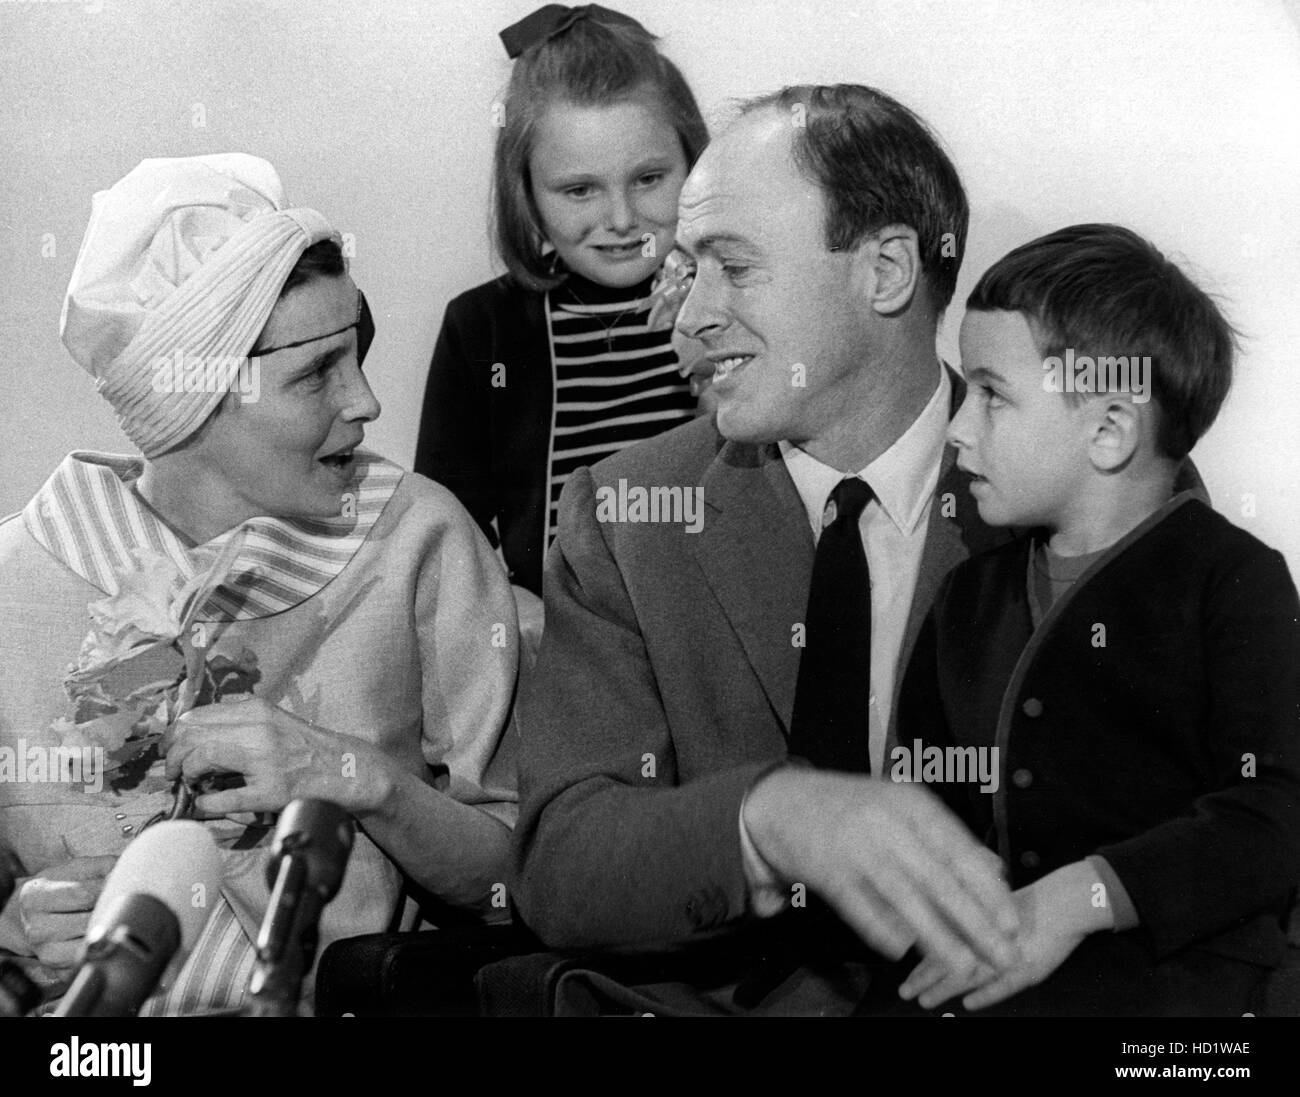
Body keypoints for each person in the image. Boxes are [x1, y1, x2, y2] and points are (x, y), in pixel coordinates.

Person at [510, 84, 1028, 1016]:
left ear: (886, 271)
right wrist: (768, 818)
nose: (687, 321)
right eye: (687, 270)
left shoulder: (1082, 491)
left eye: (733, 268)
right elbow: (563, 866)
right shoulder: (627, 516)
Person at [0, 154, 519, 1015]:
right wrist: (12, 931)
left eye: (356, 355)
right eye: (316, 373)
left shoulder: (422, 538)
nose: (365, 403)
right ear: (188, 398)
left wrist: (355, 776)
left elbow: (520, 885)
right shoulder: (17, 584)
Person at [886, 224, 1300, 1016]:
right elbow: (926, 790)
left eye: (992, 394)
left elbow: (1272, 817)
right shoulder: (966, 599)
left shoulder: (1235, 582)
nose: (959, 428)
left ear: (1109, 431)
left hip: (1187, 1001)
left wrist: (1080, 899)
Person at [413, 4, 711, 657]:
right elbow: (443, 537)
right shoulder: (482, 329)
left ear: (696, 164)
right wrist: (518, 623)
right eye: (579, 190)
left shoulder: (736, 310)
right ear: (527, 195)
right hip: (561, 657)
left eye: (650, 178)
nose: (623, 217)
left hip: (723, 647)